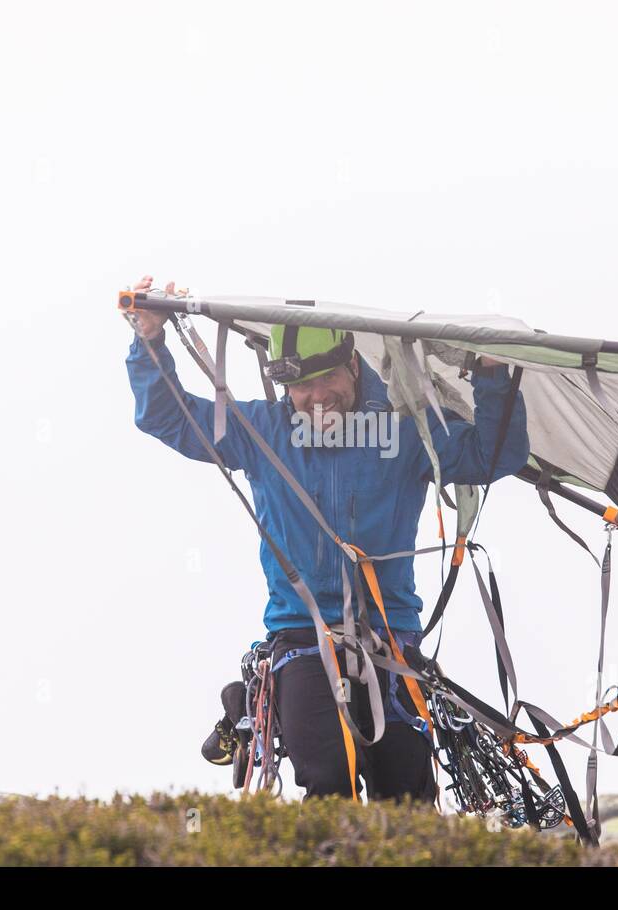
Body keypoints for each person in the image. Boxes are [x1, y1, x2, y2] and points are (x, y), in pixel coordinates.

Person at [124, 274, 529, 805]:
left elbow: (496, 455)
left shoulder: (407, 432)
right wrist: (149, 338)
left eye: (327, 378)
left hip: (392, 642)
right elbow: (165, 416)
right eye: (301, 386)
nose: (315, 397)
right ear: (285, 387)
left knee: (408, 798)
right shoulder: (261, 432)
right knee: (329, 782)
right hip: (302, 643)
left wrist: (494, 374)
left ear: (353, 365)